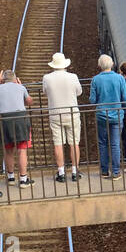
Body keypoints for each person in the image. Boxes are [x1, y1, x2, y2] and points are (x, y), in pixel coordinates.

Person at [42, 51, 83, 182]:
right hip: (72, 113)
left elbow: (45, 92)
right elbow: (79, 92)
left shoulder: (46, 78)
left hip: (55, 114)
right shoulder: (73, 76)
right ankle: (75, 171)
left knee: (58, 144)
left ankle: (61, 173)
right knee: (74, 143)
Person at [88, 54, 126, 179]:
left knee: (102, 143)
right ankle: (116, 172)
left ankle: (104, 171)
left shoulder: (95, 80)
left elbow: (92, 100)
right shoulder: (119, 78)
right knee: (115, 144)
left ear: (99, 66)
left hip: (101, 116)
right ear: (112, 65)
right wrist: (123, 110)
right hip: (117, 115)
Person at [0, 67, 33, 185]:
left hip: (5, 119)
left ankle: (10, 177)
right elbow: (29, 101)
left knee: (8, 150)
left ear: (3, 80)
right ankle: (23, 179)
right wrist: (21, 87)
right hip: (20, 118)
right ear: (15, 79)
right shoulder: (21, 87)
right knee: (22, 150)